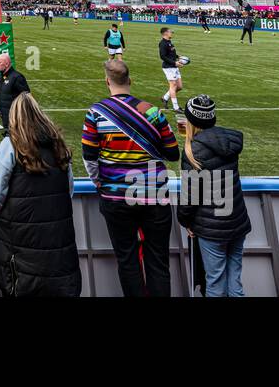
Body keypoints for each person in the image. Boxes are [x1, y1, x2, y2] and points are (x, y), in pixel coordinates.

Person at [82, 60, 180, 297]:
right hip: (154, 194)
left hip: (116, 196)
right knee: (158, 261)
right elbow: (172, 153)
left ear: (107, 82)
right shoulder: (153, 111)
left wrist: (98, 181)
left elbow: (89, 157)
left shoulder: (95, 113)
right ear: (130, 81)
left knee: (127, 260)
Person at [0, 93, 80, 297]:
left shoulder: (11, 144)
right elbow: (69, 189)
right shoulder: (59, 145)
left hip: (21, 244)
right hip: (56, 240)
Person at [176, 95, 251, 297]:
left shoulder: (194, 150)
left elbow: (190, 196)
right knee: (235, 282)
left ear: (191, 120)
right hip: (237, 221)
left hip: (212, 228)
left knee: (215, 284)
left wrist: (185, 221)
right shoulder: (230, 141)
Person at [0, 51, 30, 135]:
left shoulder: (17, 77)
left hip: (17, 122)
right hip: (6, 120)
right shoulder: (0, 77)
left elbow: (27, 97)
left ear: (6, 64)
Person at [158, 27, 184, 112]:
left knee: (179, 86)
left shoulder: (169, 42)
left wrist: (178, 57)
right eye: (170, 32)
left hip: (174, 66)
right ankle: (176, 107)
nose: (171, 33)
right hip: (168, 67)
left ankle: (165, 98)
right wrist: (175, 63)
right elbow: (163, 56)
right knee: (173, 86)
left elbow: (171, 53)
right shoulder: (163, 43)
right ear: (165, 33)